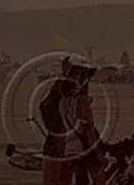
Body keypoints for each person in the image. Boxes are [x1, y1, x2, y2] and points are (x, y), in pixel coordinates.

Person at [41, 56, 104, 185]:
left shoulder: (58, 99)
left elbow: (46, 106)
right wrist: (98, 154)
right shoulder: (80, 102)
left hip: (58, 148)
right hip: (74, 148)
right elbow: (89, 130)